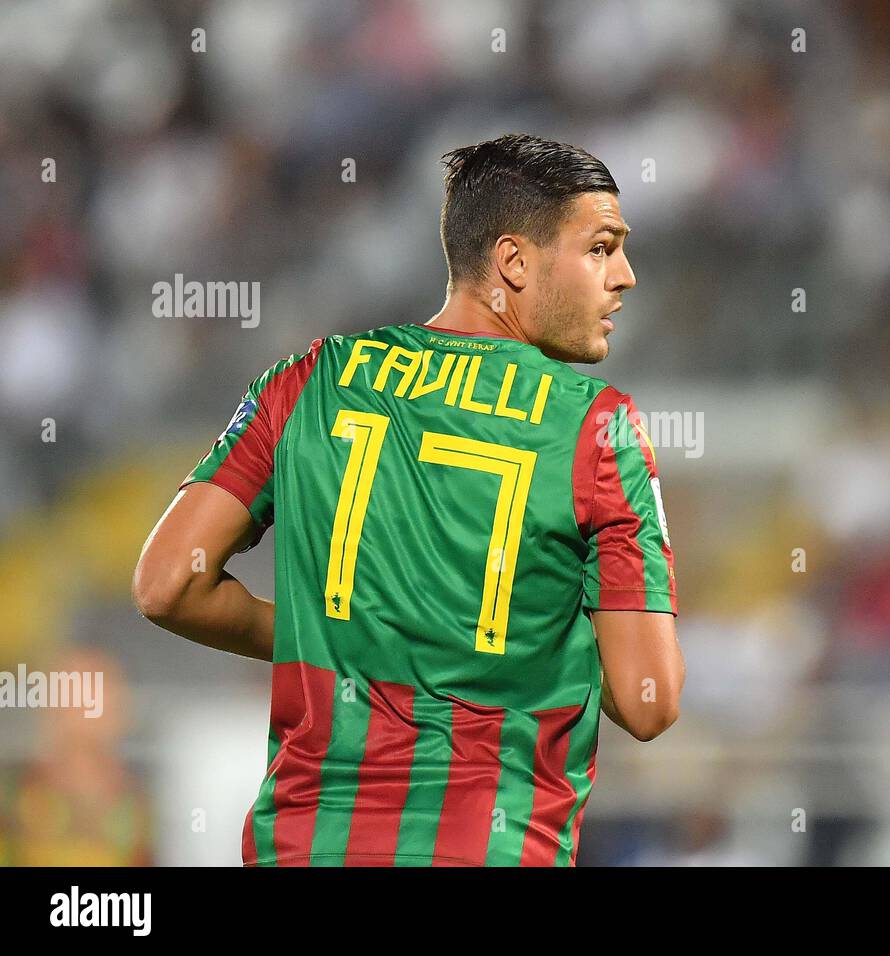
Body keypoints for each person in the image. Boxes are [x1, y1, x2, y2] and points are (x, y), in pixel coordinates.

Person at [132, 133, 685, 867]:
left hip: (303, 846)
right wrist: (511, 643)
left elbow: (168, 585)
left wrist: (347, 639)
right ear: (514, 263)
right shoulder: (597, 427)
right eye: (600, 248)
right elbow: (649, 699)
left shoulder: (311, 380)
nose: (625, 276)